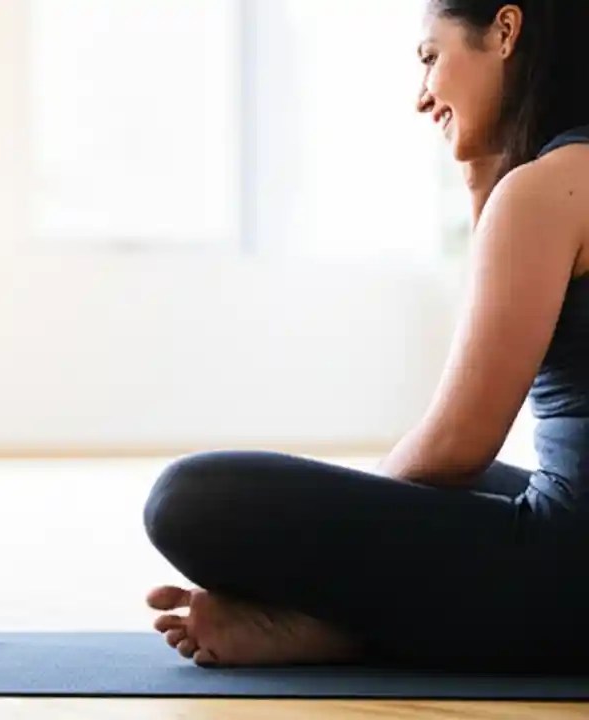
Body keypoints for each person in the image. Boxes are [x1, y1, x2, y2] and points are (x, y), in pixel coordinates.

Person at [141, 0, 589, 671]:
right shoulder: (554, 181)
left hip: (570, 576)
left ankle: (341, 621)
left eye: (430, 57)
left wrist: (342, 556)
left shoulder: (546, 191)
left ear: (505, 30)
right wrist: (482, 184)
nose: (420, 97)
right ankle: (362, 625)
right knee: (464, 490)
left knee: (186, 499)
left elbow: (458, 444)